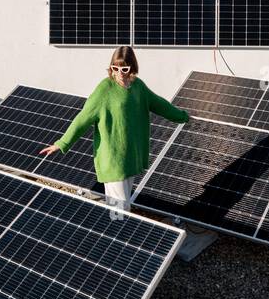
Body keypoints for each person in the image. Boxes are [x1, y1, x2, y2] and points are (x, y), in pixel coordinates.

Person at [39, 46, 189, 211]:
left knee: (123, 205)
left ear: (132, 67)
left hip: (131, 157)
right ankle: (119, 233)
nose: (119, 72)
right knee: (119, 208)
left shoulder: (138, 87)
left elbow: (159, 104)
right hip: (113, 159)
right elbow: (83, 118)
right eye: (115, 68)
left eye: (124, 68)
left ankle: (120, 231)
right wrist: (62, 143)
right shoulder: (105, 90)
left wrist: (182, 116)